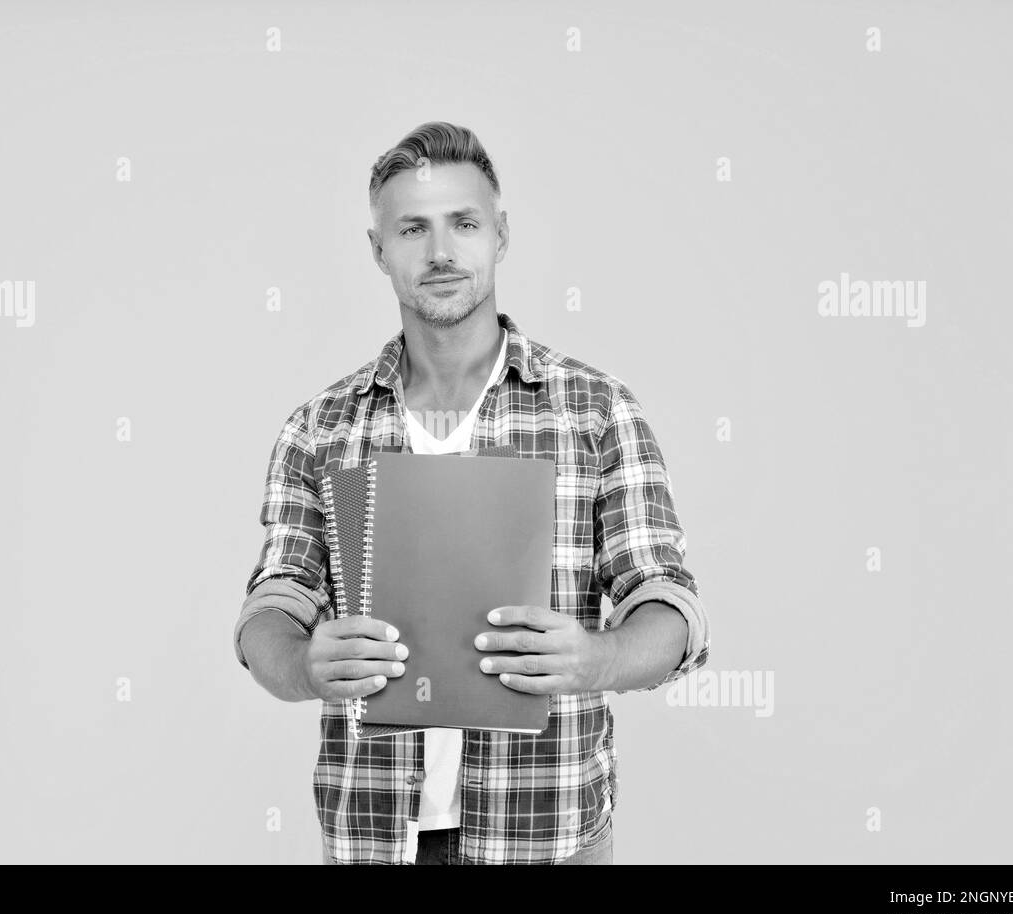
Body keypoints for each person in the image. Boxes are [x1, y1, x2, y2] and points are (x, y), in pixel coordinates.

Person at [232, 121, 711, 865]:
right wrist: (302, 664)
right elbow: (273, 605)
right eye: (413, 228)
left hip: (549, 837)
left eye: (464, 223)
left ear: (501, 234)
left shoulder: (594, 412)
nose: (442, 252)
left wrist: (598, 657)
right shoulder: (320, 428)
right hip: (372, 839)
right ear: (378, 250)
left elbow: (671, 607)